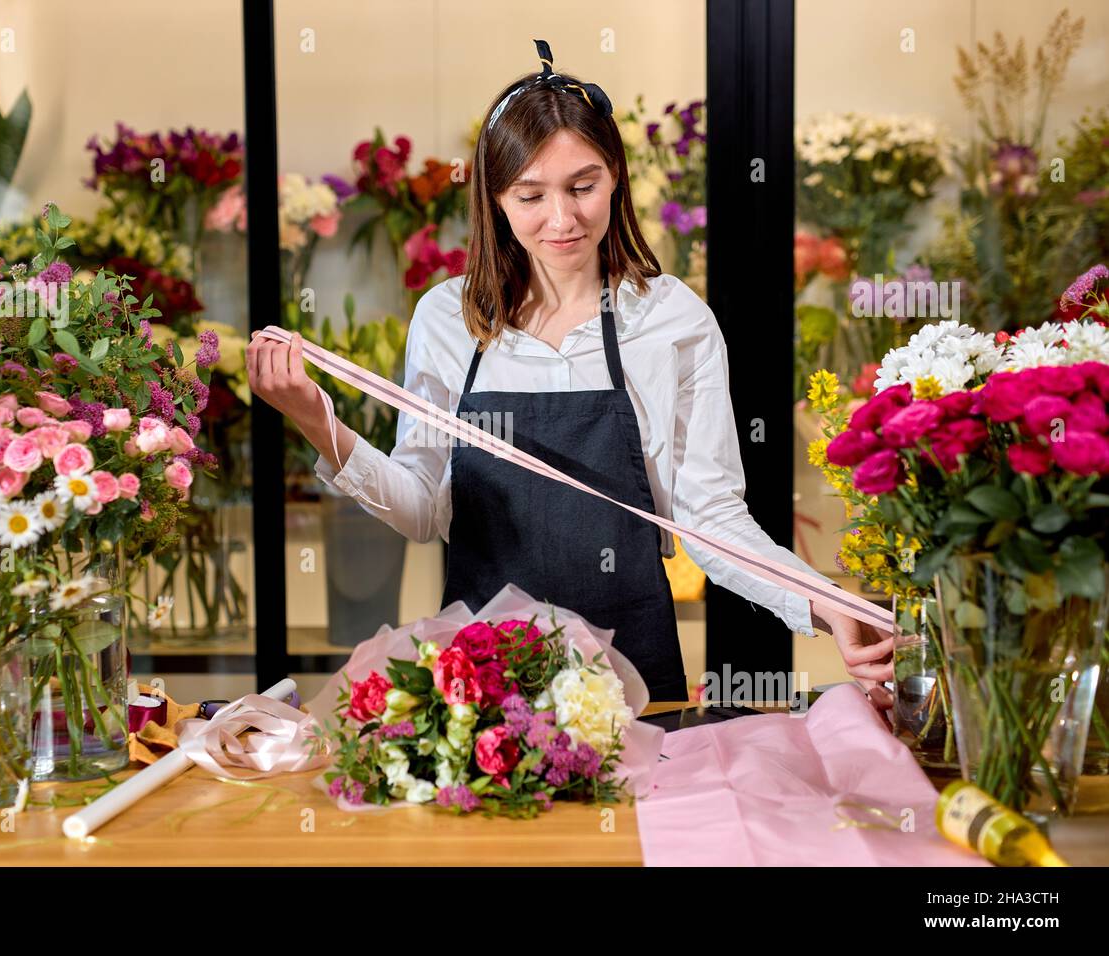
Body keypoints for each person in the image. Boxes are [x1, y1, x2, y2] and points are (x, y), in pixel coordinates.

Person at [247, 39, 894, 706]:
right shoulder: (448, 317)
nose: (563, 220)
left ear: (615, 175)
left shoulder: (670, 321)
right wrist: (313, 419)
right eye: (530, 195)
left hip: (633, 683)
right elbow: (421, 508)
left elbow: (711, 520)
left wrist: (827, 604)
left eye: (583, 187)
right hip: (480, 687)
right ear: (495, 198)